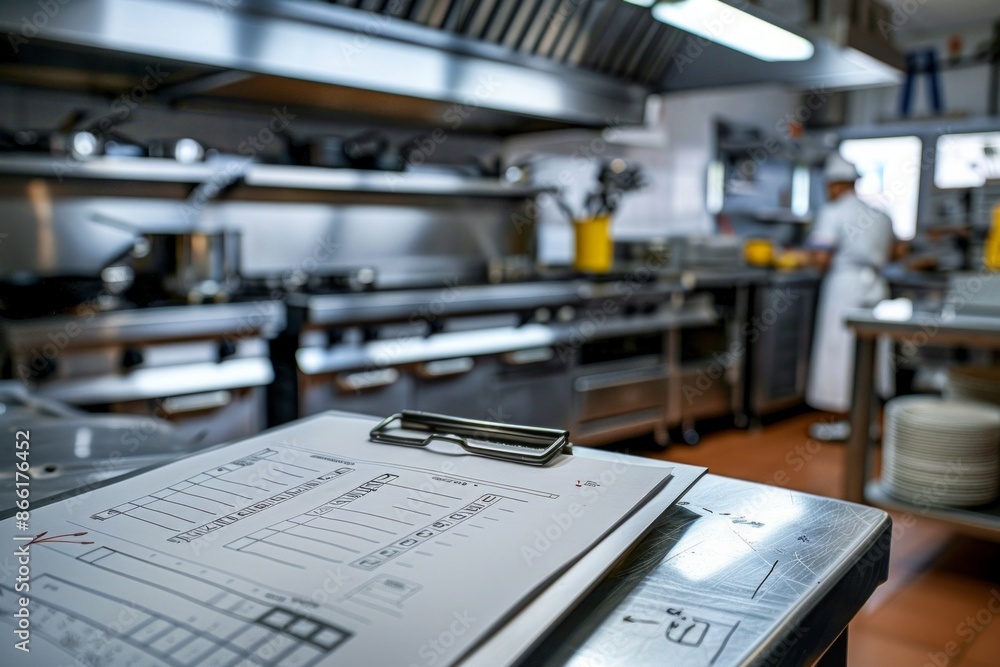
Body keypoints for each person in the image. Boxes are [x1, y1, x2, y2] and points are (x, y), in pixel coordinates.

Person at [806, 153, 897, 442]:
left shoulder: (832, 213)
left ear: (835, 185)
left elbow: (820, 258)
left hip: (844, 289)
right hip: (877, 288)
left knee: (840, 354)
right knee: (873, 353)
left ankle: (850, 422)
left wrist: (802, 258)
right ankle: (867, 421)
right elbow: (894, 253)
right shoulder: (880, 214)